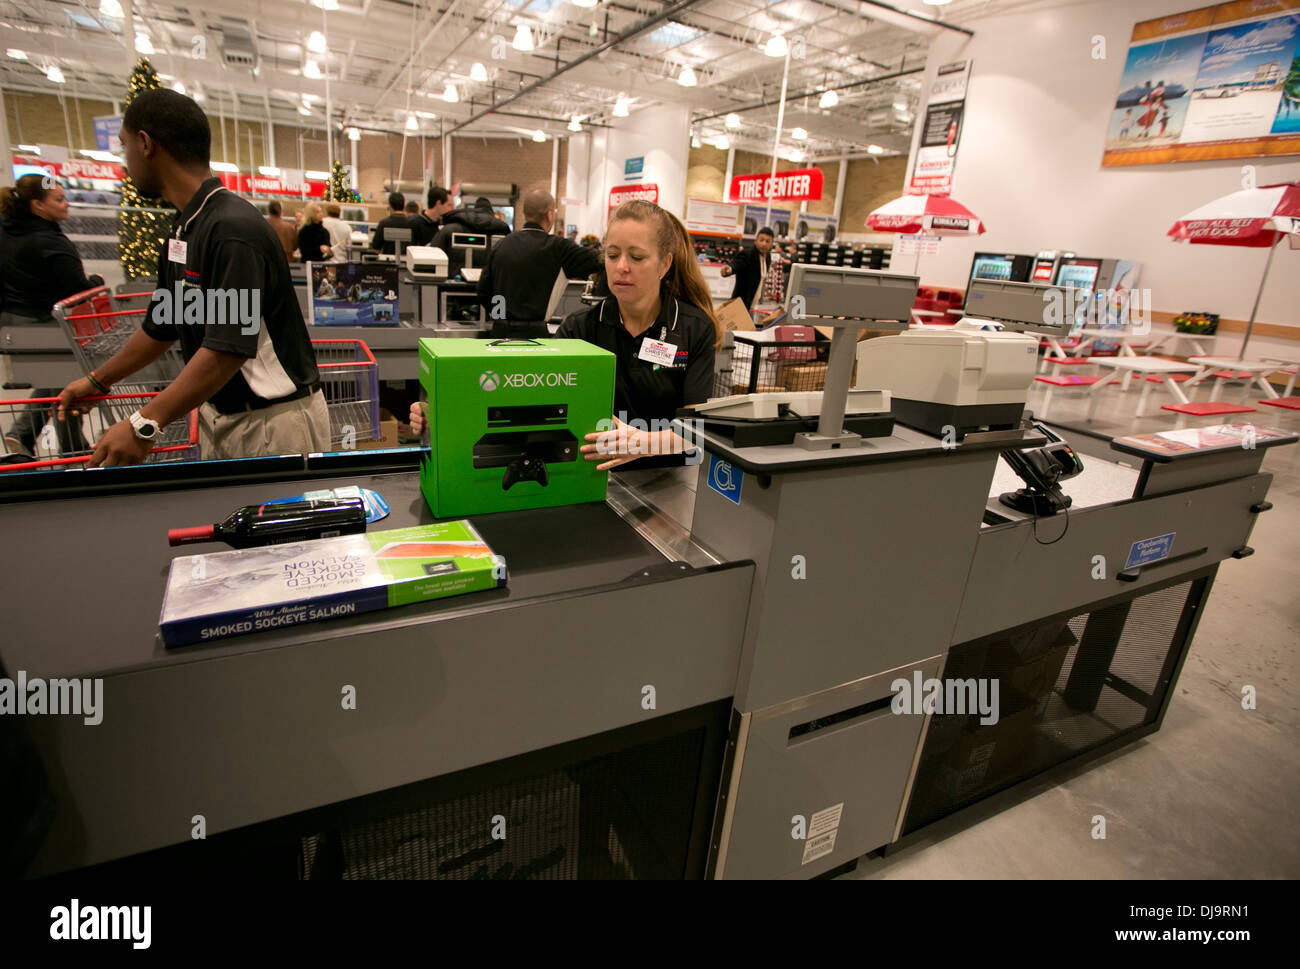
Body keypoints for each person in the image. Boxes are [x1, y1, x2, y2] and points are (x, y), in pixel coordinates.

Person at [53, 88, 329, 467]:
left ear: (146, 143)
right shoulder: (185, 227)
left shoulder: (233, 230)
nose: (124, 160)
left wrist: (142, 424)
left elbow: (227, 350)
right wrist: (99, 380)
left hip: (272, 426)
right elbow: (164, 324)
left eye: (124, 145)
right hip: (223, 418)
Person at [413, 200, 718, 470]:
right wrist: (438, 415)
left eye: (637, 257)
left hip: (666, 481)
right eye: (612, 255)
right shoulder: (580, 328)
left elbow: (695, 432)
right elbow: (528, 401)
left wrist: (644, 443)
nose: (621, 267)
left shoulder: (693, 328)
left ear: (665, 263)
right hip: (593, 477)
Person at [0, 173, 103, 457]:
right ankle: (25, 433)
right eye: (59, 199)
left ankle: (71, 447)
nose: (67, 204)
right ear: (38, 205)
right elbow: (77, 288)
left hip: (12, 324)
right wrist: (96, 281)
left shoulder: (6, 233)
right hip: (43, 323)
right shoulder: (50, 242)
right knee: (66, 381)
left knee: (59, 380)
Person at [475, 188, 602, 337]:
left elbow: (483, 291)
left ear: (524, 213)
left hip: (500, 332)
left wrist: (501, 315)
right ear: (549, 215)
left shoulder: (501, 245)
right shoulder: (559, 248)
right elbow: (599, 260)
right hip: (535, 335)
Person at [431, 196, 511, 278]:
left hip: (451, 285)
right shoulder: (502, 234)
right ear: (491, 213)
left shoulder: (448, 230)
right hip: (487, 288)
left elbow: (432, 257)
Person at [721, 226, 780, 310]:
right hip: (740, 305)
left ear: (771, 244)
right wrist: (730, 269)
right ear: (755, 241)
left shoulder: (767, 257)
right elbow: (738, 263)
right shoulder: (747, 254)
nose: (764, 244)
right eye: (761, 240)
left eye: (767, 241)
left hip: (752, 305)